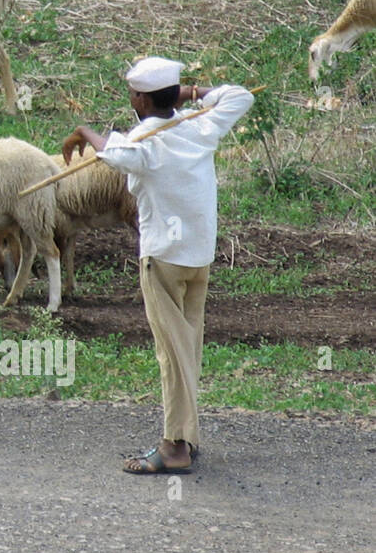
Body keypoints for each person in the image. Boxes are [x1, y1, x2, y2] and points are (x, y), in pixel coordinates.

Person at [62, 57, 253, 473]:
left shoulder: (145, 142)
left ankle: (174, 447)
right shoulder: (201, 127)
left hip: (163, 258)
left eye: (133, 93)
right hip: (199, 256)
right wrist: (189, 94)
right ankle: (187, 436)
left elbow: (113, 153)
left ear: (143, 100)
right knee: (188, 349)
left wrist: (83, 132)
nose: (130, 98)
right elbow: (239, 95)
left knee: (172, 354)